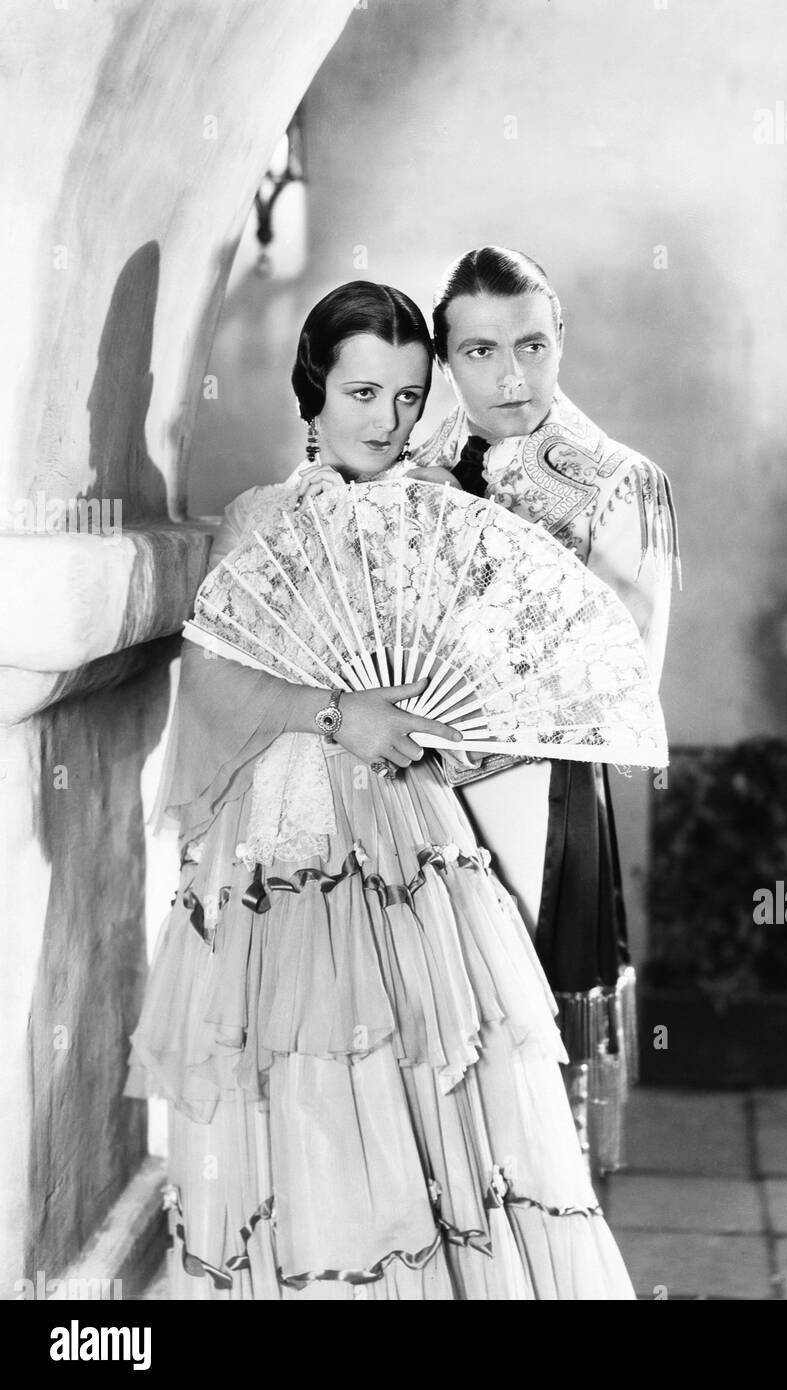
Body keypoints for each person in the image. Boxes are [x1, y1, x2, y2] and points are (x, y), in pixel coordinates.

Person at [126, 280, 636, 1299]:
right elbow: (217, 679)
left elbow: (478, 689)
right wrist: (332, 710)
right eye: (361, 393)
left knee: (423, 1090)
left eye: (408, 396)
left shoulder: (440, 518)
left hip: (406, 838)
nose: (386, 420)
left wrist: (447, 733)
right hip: (274, 841)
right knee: (299, 1088)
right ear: (311, 394)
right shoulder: (259, 519)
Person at [415, 248, 678, 1174]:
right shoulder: (405, 472)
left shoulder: (621, 484)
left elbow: (619, 685)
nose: (511, 375)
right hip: (408, 801)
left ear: (561, 340)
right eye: (480, 351)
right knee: (427, 1070)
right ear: (446, 360)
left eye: (531, 344)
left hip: (539, 798)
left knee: (533, 1090)